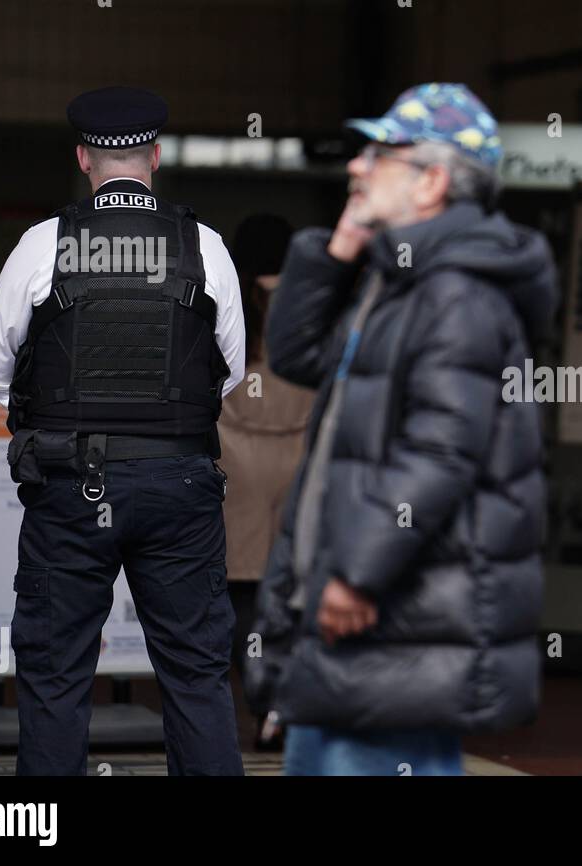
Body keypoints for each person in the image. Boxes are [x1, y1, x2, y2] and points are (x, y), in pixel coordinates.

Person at [246, 83, 557, 776]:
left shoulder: (456, 294)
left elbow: (440, 450)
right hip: (363, 625)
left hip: (400, 621)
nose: (357, 166)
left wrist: (358, 574)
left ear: (432, 182)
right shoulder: (401, 281)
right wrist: (341, 245)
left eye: (381, 153)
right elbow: (299, 355)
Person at [0, 86, 246, 776]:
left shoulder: (43, 244)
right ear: (155, 156)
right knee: (195, 674)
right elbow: (232, 374)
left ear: (82, 159)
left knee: (55, 674)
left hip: (69, 488)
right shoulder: (205, 246)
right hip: (180, 488)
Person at [217, 215, 314, 740]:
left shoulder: (226, 299)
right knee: (295, 594)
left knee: (242, 598)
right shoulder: (309, 305)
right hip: (299, 458)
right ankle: (289, 705)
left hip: (237, 463)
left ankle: (261, 700)